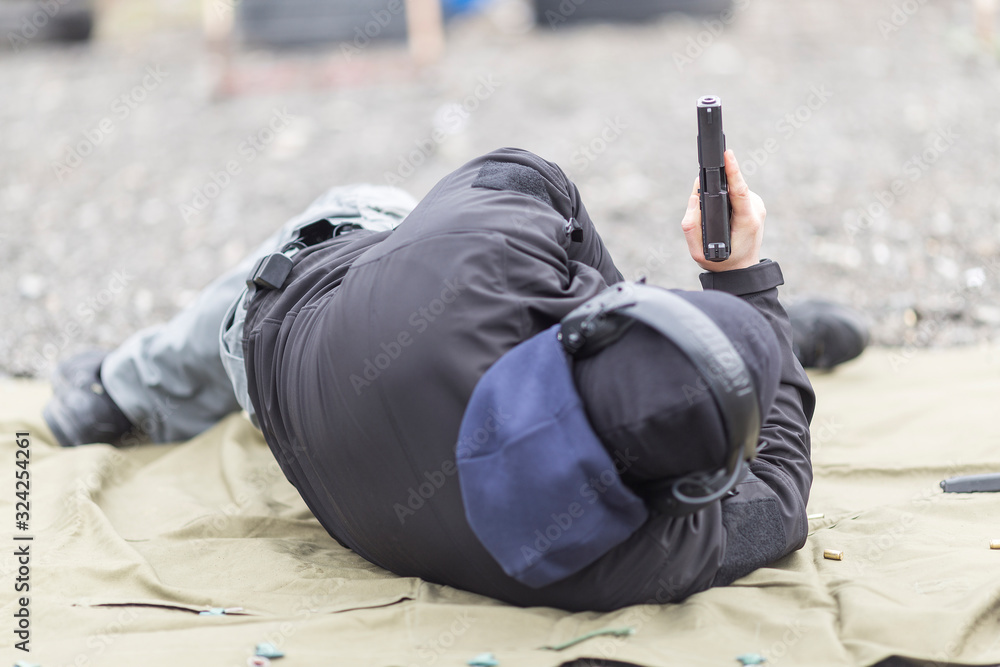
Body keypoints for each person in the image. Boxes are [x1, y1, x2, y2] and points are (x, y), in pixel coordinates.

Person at [43, 147, 866, 611]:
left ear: (607, 315)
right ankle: (764, 343)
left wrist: (643, 291)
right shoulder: (631, 556)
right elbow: (782, 502)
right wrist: (746, 282)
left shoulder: (492, 248)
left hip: (277, 348)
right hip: (337, 486)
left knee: (363, 211)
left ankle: (121, 388)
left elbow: (528, 176)